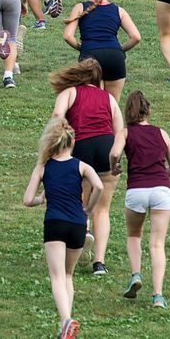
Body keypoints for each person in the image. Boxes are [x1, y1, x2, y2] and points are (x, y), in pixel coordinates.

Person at [23, 118, 104, 339]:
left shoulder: (43, 166)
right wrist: (88, 208)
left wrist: (41, 199)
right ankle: (64, 327)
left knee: (57, 277)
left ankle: (66, 320)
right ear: (72, 142)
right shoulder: (81, 166)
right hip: (78, 224)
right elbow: (98, 186)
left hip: (55, 223)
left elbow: (28, 199)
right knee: (68, 275)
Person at [50, 59, 124, 277]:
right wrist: (117, 160)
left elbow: (57, 116)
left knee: (79, 201)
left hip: (81, 147)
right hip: (106, 148)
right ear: (98, 79)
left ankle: (83, 232)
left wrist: (58, 143)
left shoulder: (70, 93)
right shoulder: (109, 98)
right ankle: (99, 263)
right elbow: (119, 132)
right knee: (103, 208)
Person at [110, 91, 170, 308]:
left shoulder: (125, 133)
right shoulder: (162, 134)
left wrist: (115, 167)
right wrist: (158, 169)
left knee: (134, 235)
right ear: (148, 110)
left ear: (128, 111)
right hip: (161, 190)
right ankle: (158, 296)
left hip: (137, 190)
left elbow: (114, 154)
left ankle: (136, 274)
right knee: (157, 244)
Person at [63, 0, 141, 100]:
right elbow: (136, 37)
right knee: (112, 105)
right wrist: (120, 50)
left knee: (92, 102)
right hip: (114, 57)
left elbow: (67, 36)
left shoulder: (80, 7)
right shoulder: (119, 10)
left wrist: (81, 48)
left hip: (90, 57)